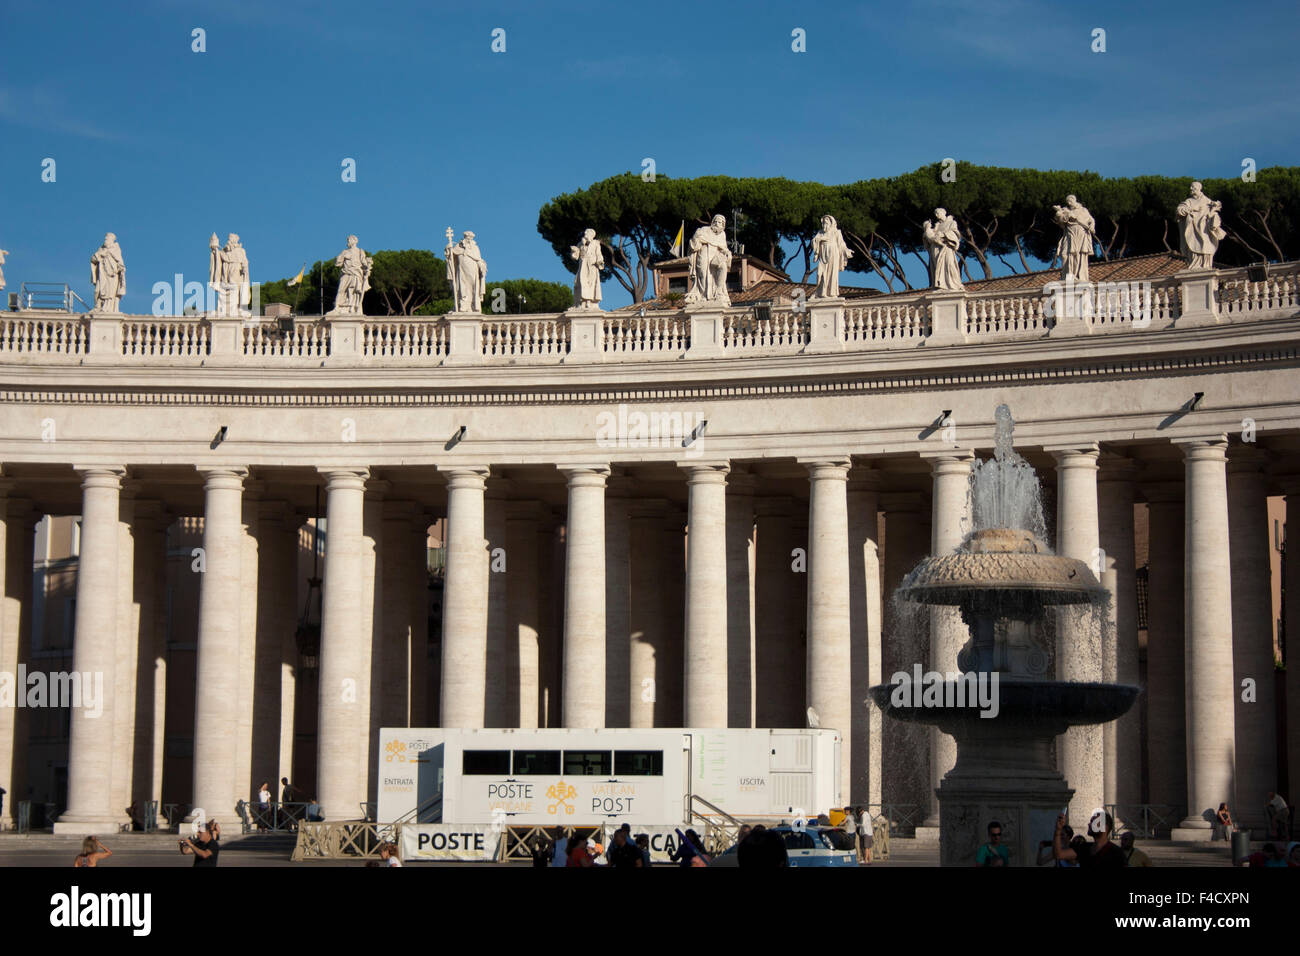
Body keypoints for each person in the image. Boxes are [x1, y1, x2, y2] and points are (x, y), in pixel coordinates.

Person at [1055, 810, 1123, 868]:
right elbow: (1059, 854)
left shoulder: (1116, 852)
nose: (1089, 824)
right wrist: (1058, 831)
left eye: (1093, 822)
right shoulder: (1084, 847)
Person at [922, 209, 964, 291]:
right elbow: (929, 238)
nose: (937, 215)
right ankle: (940, 285)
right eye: (935, 214)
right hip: (935, 249)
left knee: (949, 264)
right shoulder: (937, 226)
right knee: (937, 268)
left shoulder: (951, 223)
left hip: (946, 247)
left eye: (938, 213)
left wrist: (943, 235)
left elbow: (955, 234)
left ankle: (955, 285)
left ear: (944, 213)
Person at [812, 214, 852, 298]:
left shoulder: (836, 232)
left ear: (831, 223)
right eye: (823, 223)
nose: (824, 225)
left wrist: (846, 251)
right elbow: (814, 241)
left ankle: (830, 293)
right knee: (820, 274)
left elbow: (841, 244)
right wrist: (819, 240)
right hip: (823, 255)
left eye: (826, 223)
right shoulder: (820, 233)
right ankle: (820, 292)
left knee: (832, 273)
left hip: (833, 254)